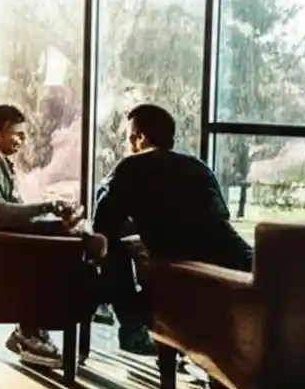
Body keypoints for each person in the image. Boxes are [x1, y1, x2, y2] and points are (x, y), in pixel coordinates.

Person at [0, 104, 101, 369]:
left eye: (23, 134)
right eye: (17, 135)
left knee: (70, 238)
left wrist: (51, 216)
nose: (22, 140)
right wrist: (46, 209)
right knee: (68, 254)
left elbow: (10, 211)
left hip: (2, 240)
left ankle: (36, 325)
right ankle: (30, 330)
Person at [93, 103, 253, 273]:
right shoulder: (198, 167)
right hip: (237, 257)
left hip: (197, 272)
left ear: (139, 138)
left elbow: (103, 224)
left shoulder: (131, 168)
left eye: (128, 138)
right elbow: (218, 216)